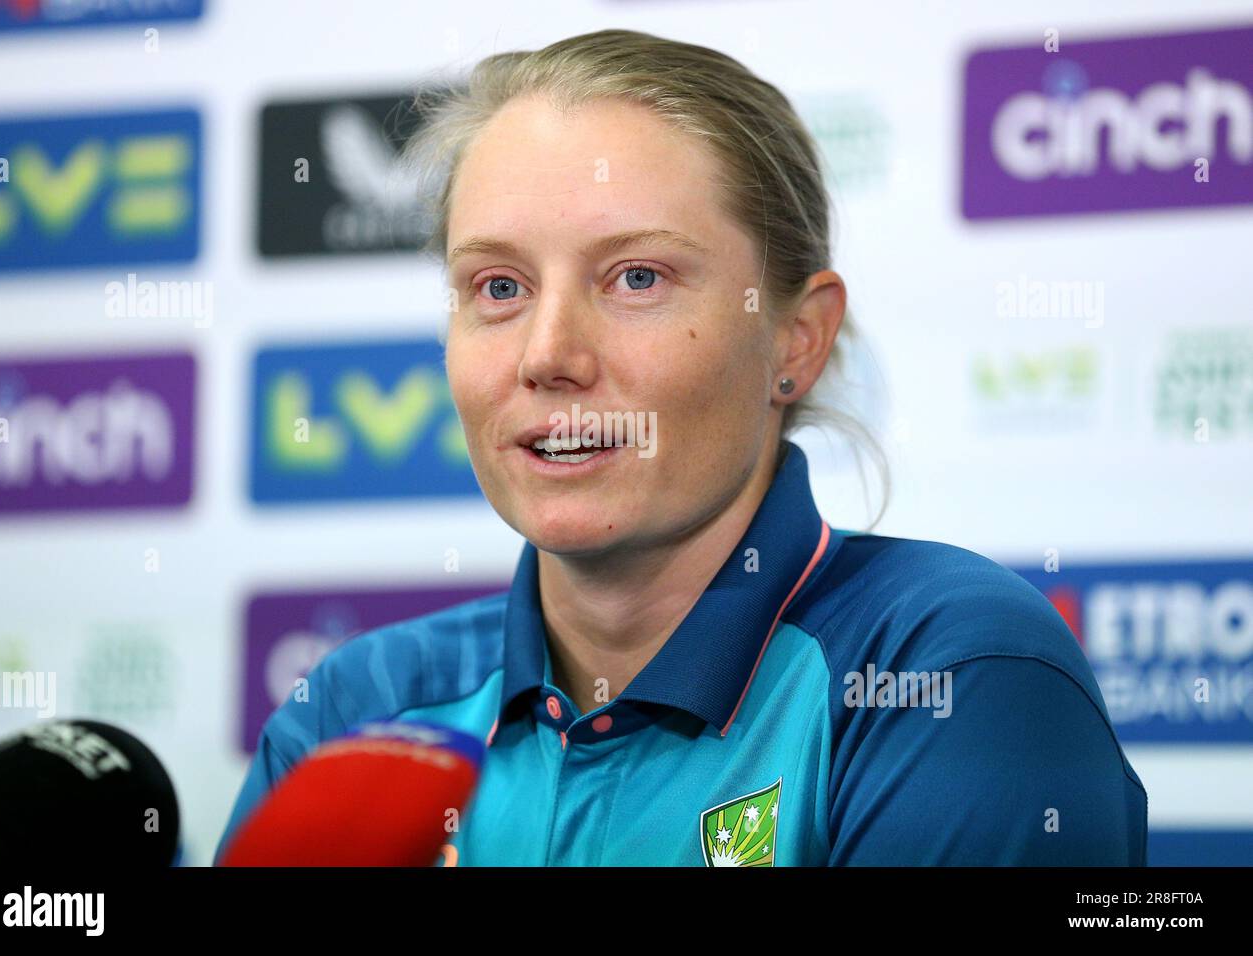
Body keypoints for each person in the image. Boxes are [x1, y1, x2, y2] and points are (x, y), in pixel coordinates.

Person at [217, 29, 1146, 866]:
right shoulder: (359, 711)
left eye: (636, 277)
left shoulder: (942, 672)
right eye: (498, 287)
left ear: (797, 339)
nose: (548, 356)